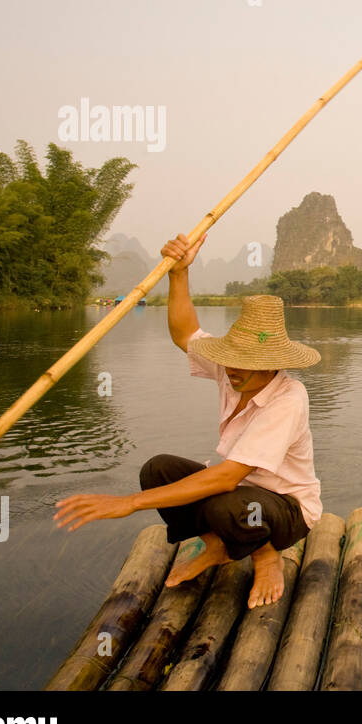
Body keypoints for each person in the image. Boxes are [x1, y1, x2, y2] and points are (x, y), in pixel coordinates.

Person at [54, 233, 322, 609]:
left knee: (226, 505)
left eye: (245, 362)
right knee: (159, 469)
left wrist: (130, 503)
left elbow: (226, 478)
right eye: (231, 357)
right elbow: (185, 333)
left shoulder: (289, 398)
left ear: (272, 364)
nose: (232, 369)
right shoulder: (233, 369)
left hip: (286, 510)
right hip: (238, 494)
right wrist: (179, 273)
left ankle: (266, 557)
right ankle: (216, 546)